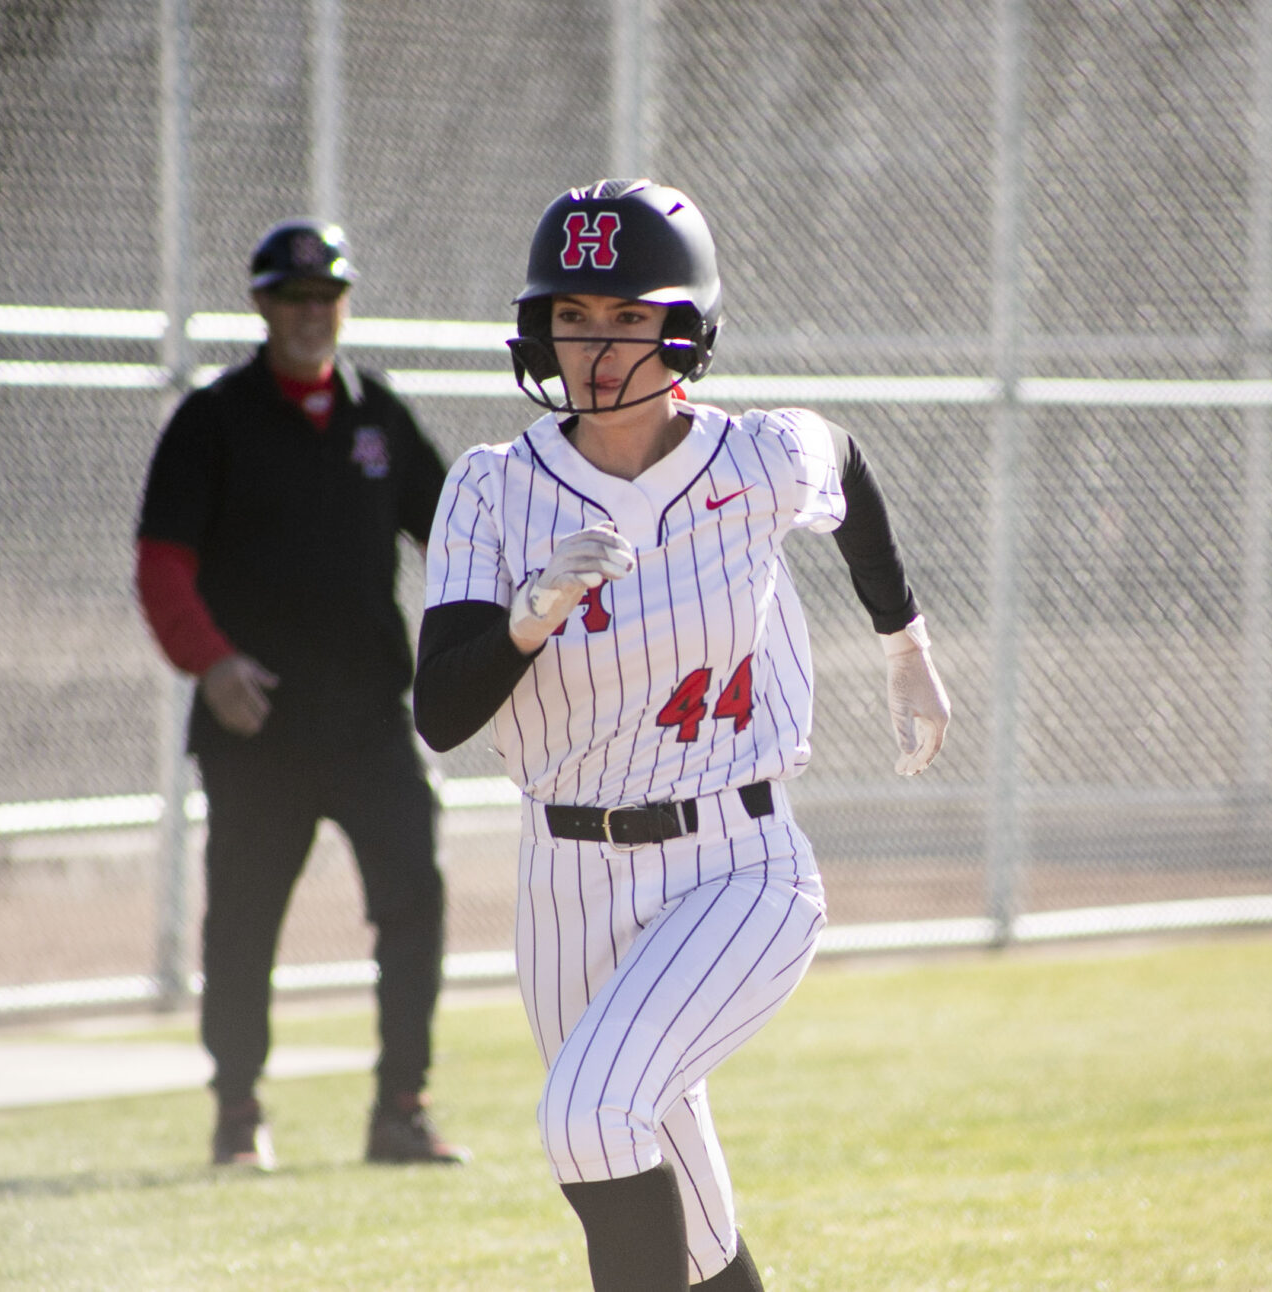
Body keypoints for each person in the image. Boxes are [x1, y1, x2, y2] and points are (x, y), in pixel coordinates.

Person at [414, 179, 950, 1290]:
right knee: (688, 1226)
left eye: (628, 315)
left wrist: (904, 643)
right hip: (565, 876)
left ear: (685, 330)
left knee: (590, 1115)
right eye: (572, 315)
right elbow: (442, 711)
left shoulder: (755, 457)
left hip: (737, 858)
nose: (596, 344)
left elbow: (846, 466)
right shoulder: (492, 487)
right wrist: (527, 619)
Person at [135, 217, 467, 1170]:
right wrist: (211, 663)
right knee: (243, 925)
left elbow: (455, 534)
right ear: (262, 305)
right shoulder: (214, 420)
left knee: (414, 901)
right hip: (258, 725)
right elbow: (161, 566)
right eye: (292, 298)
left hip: (370, 722)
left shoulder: (377, 415)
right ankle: (239, 1113)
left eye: (326, 297)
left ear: (344, 305)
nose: (311, 314)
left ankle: (400, 1111)